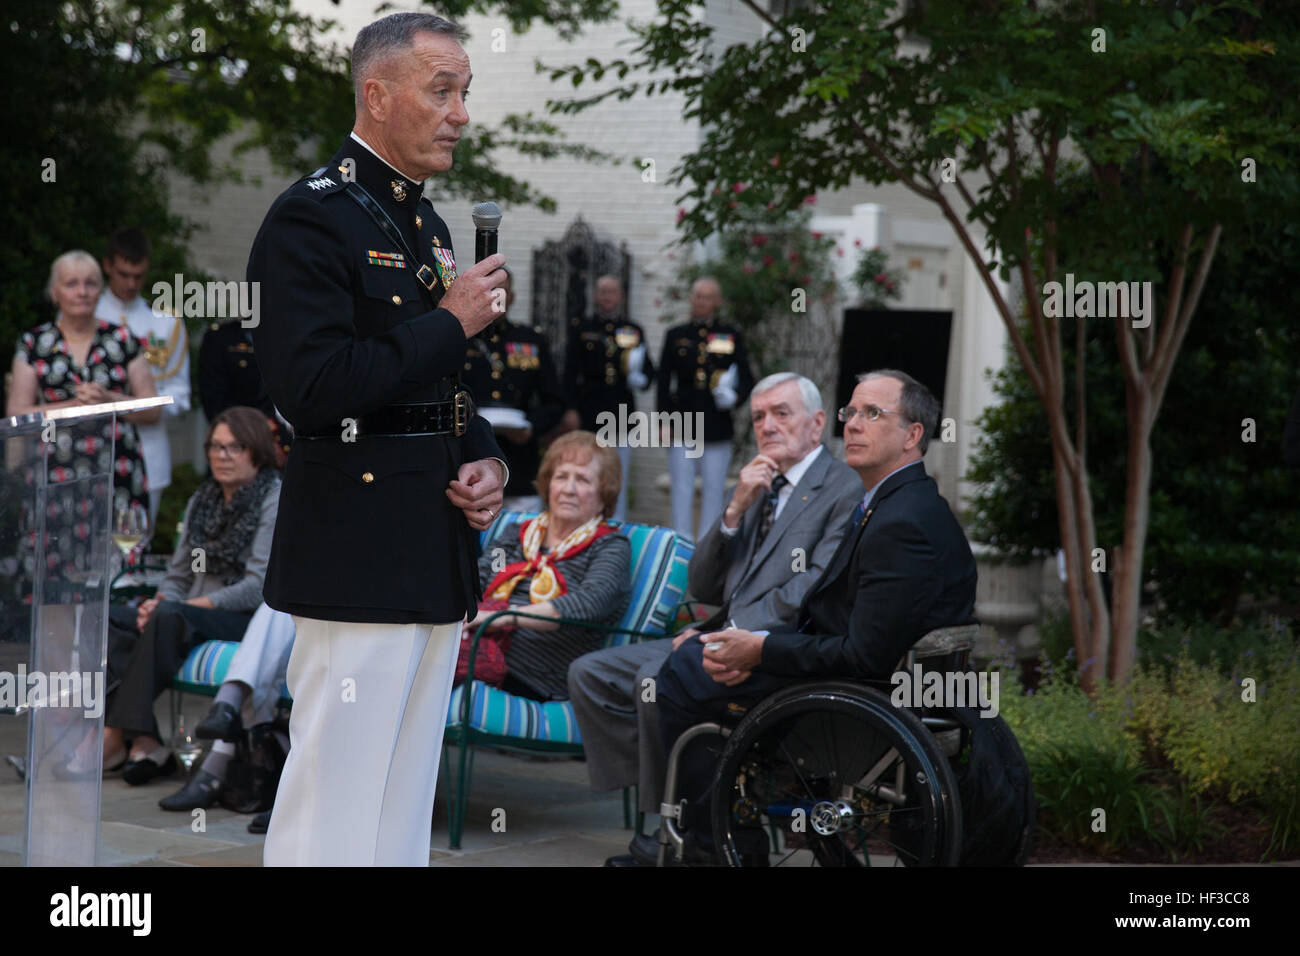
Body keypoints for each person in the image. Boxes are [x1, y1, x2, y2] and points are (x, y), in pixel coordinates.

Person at [247, 11, 511, 866]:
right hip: (355, 552)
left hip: (431, 546)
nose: (461, 113)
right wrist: (450, 322)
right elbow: (311, 390)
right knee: (336, 797)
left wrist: (485, 461)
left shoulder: (423, 226)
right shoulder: (310, 220)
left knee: (401, 805)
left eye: (464, 92)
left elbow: (439, 388)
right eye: (442, 91)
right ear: (377, 94)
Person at [652, 369, 979, 863]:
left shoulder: (901, 522)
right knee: (699, 659)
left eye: (873, 413)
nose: (853, 424)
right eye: (851, 412)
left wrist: (761, 650)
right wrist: (747, 643)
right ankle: (721, 832)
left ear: (914, 435)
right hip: (869, 684)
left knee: (684, 671)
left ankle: (711, 845)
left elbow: (861, 655)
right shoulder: (892, 503)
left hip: (870, 698)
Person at [568, 372, 862, 864]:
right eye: (759, 416)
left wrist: (724, 634)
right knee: (590, 674)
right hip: (715, 633)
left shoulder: (842, 487)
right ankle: (670, 803)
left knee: (653, 681)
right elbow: (701, 586)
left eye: (781, 413)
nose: (767, 425)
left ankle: (664, 830)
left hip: (771, 646)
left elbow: (811, 585)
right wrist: (732, 509)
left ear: (816, 425)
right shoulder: (758, 482)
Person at [96, 406, 282, 783]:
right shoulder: (205, 496)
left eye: (234, 447)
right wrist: (160, 600)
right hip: (184, 613)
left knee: (169, 616)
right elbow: (179, 574)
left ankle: (112, 738)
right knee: (113, 617)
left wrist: (180, 606)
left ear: (257, 451)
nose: (221, 455)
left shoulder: (273, 497)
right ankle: (145, 739)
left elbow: (256, 585)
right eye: (215, 446)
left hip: (241, 617)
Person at [6, 251, 158, 599]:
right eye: (71, 284)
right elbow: (17, 413)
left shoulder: (121, 339)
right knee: (53, 585)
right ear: (54, 292)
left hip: (116, 474)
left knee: (116, 582)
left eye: (90, 284)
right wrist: (72, 406)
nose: (82, 292)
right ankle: (57, 655)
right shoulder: (35, 344)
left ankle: (112, 651)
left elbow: (151, 409)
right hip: (54, 477)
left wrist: (108, 399)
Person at [466, 431, 630, 700]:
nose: (569, 489)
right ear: (548, 483)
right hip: (479, 647)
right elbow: (479, 580)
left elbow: (588, 603)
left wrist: (504, 617)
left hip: (538, 675)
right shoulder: (518, 534)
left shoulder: (610, 546)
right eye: (562, 476)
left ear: (604, 493)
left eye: (583, 480)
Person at [95, 228, 191, 531]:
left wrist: (149, 408)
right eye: (123, 274)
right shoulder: (84, 315)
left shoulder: (165, 323)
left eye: (138, 275)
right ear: (107, 265)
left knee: (133, 548)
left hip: (148, 451)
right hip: (91, 449)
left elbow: (181, 394)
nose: (131, 284)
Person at [656, 277, 755, 540]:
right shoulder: (676, 335)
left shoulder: (730, 334)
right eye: (697, 295)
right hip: (683, 423)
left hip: (716, 423)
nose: (700, 301)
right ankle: (680, 545)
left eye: (707, 296)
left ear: (717, 301)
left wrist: (733, 398)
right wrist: (664, 421)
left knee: (714, 491)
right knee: (682, 490)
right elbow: (664, 381)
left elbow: (747, 379)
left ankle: (709, 549)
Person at [461, 268, 567, 512]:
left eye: (501, 290)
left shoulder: (530, 340)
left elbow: (555, 401)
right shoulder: (460, 337)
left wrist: (530, 428)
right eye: (488, 290)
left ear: (512, 296)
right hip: (469, 461)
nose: (494, 296)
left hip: (520, 463)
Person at [565, 274, 655, 520]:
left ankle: (616, 527)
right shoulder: (583, 328)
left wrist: (640, 377)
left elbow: (649, 372)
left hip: (621, 415)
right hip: (590, 412)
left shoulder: (633, 330)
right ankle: (586, 525)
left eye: (612, 292)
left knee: (618, 477)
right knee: (588, 473)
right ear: (596, 296)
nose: (607, 297)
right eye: (603, 292)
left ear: (621, 296)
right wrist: (571, 409)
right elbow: (570, 373)